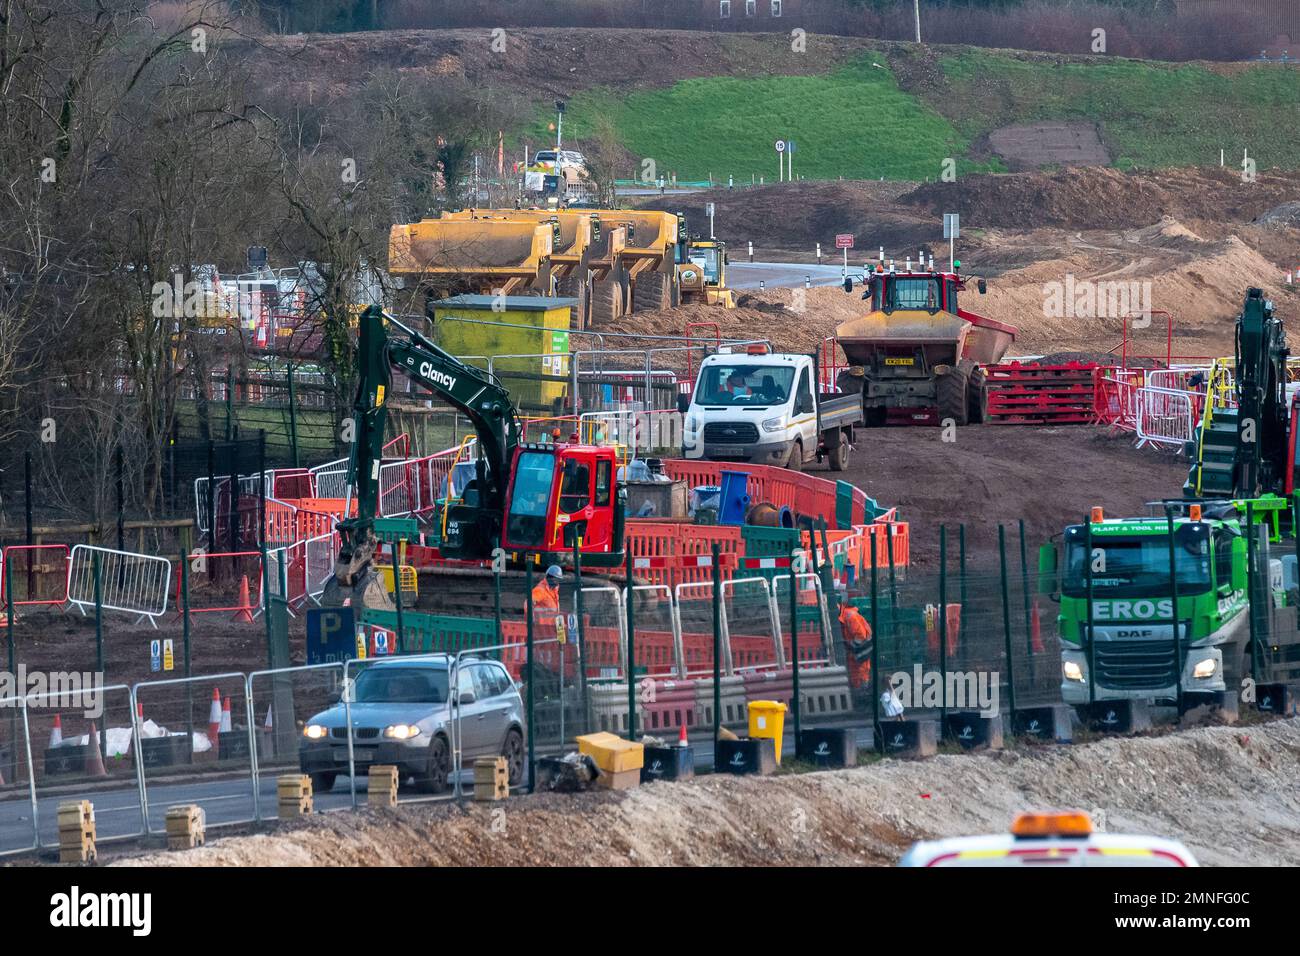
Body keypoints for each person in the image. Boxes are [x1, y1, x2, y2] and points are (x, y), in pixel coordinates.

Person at [838, 601, 873, 691]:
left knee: (861, 673)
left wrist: (850, 647)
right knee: (856, 673)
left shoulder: (850, 617)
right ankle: (859, 690)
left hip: (862, 649)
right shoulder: (844, 617)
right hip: (857, 649)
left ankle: (863, 691)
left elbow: (861, 636)